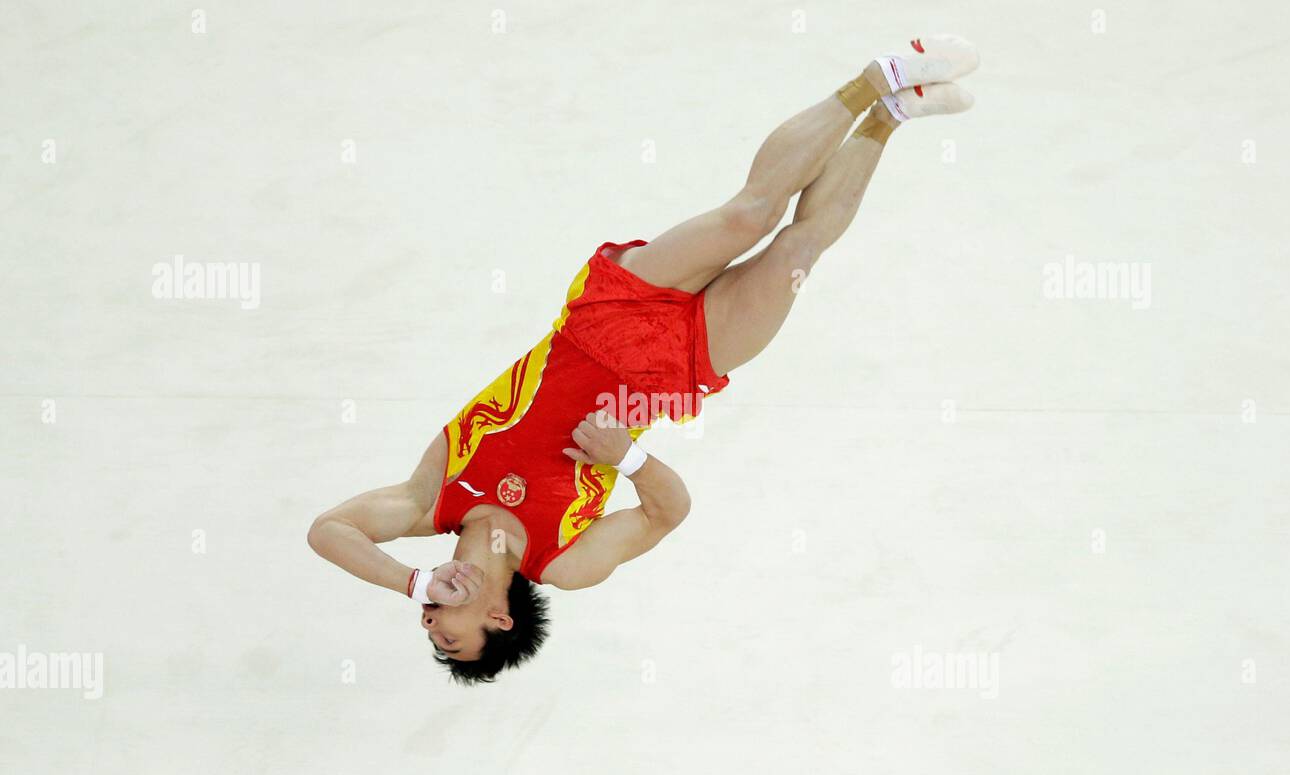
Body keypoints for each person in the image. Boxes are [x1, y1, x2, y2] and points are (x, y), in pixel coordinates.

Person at [308, 36, 980, 683]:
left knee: (748, 216)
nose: (429, 623)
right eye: (449, 636)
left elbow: (327, 529)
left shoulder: (433, 498)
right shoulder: (564, 561)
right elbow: (668, 512)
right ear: (497, 617)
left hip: (603, 319)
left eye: (430, 629)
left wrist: (412, 578)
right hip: (676, 374)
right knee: (794, 253)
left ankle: (880, 75)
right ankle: (893, 114)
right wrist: (625, 457)